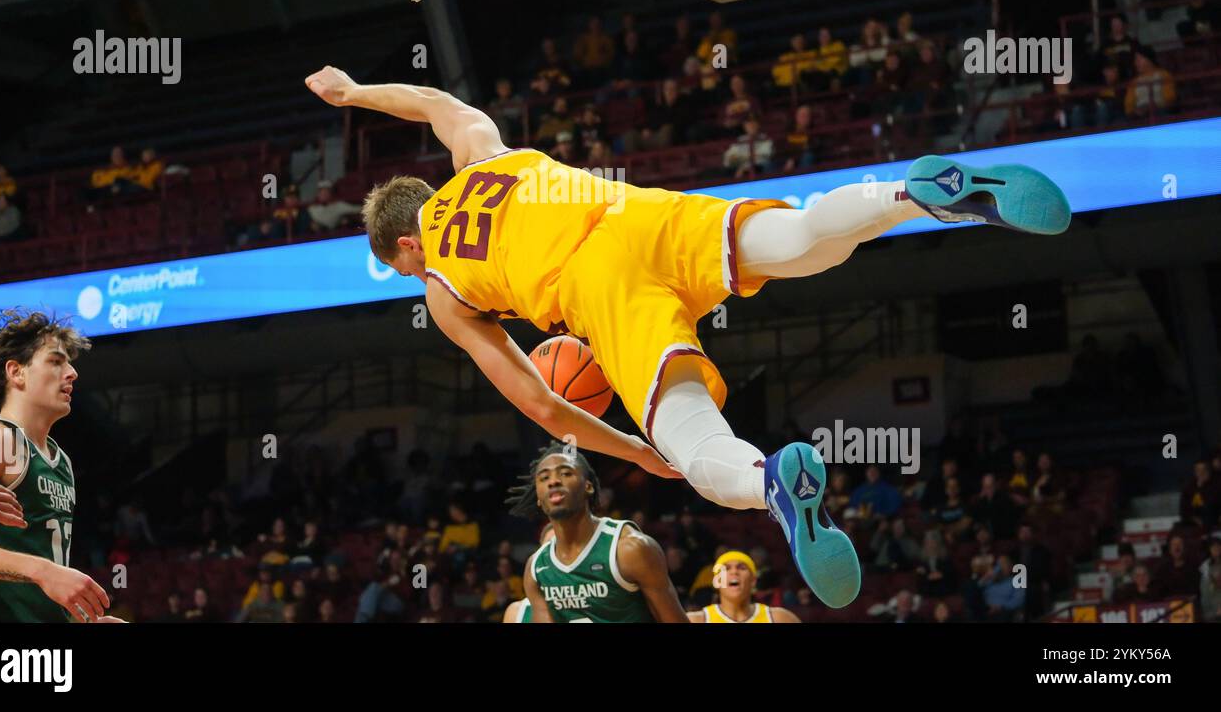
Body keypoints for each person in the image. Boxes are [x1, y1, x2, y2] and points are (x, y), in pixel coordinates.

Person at [304, 66, 1071, 609]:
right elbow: (436, 101)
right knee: (802, 238)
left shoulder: (440, 289)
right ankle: (916, 195)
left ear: (405, 248)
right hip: (639, 213)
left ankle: (773, 482)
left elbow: (542, 405)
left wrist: (638, 451)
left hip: (597, 288)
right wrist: (354, 94)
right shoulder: (482, 151)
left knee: (697, 451)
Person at [0, 309, 122, 622]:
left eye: (69, 363)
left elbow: (37, 585)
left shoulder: (61, 462)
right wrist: (41, 570)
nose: (72, 373)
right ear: (16, 372)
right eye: (56, 361)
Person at [510, 442, 687, 622]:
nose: (553, 481)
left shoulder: (629, 549)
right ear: (539, 499)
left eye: (565, 473)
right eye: (544, 478)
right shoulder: (536, 569)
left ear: (588, 486)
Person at [686, 550, 799, 623]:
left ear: (753, 580)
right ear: (717, 581)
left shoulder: (780, 618)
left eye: (742, 568)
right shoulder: (695, 620)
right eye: (726, 568)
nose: (734, 572)